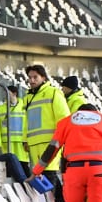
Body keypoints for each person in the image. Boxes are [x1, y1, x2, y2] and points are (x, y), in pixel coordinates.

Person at [22, 64, 70, 195]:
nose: (32, 80)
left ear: (43, 77)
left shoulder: (54, 93)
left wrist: (59, 139)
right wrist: (25, 139)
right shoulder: (27, 97)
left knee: (49, 174)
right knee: (41, 176)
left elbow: (64, 118)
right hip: (33, 145)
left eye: (35, 77)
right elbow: (27, 121)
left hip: (50, 143)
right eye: (30, 77)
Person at [0, 84, 29, 180]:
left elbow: (27, 124)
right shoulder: (0, 109)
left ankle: (26, 188)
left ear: (14, 94)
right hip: (7, 144)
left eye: (7, 93)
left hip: (21, 144)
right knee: (9, 168)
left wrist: (28, 141)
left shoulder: (24, 107)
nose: (5, 96)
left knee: (23, 165)